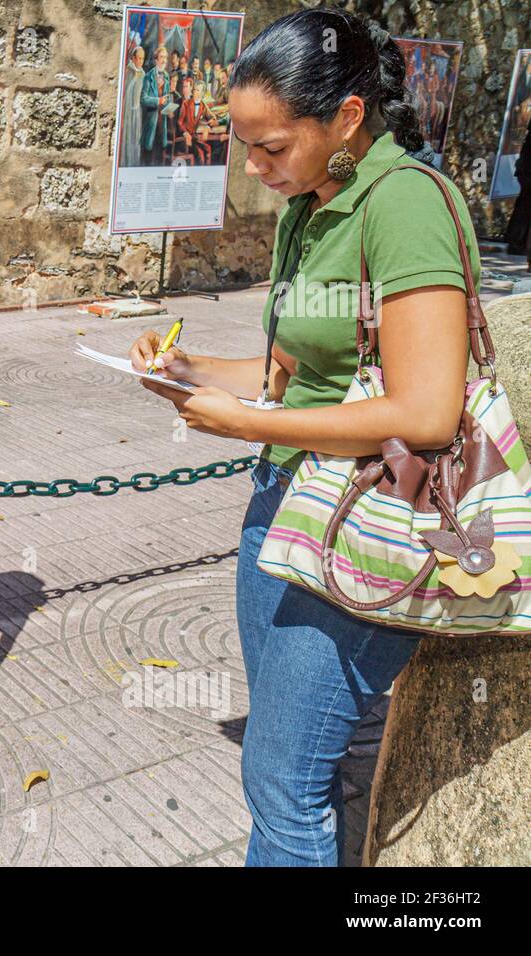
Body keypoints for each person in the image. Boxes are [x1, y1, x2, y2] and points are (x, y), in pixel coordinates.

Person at [127, 7, 481, 866]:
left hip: (371, 517)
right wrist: (188, 369)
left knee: (282, 780)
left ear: (349, 119)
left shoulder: (404, 207)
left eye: (272, 147)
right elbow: (288, 372)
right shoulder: (310, 203)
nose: (254, 169)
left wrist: (252, 421)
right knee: (309, 764)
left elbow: (428, 411)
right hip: (284, 502)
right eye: (246, 146)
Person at [502, 117, 531, 258]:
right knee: (524, 208)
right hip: (527, 171)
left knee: (523, 207)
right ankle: (517, 242)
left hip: (525, 169)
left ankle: (518, 242)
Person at [140, 46, 173, 165]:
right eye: (162, 57)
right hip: (150, 122)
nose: (164, 60)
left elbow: (167, 97)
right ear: (156, 60)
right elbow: (143, 99)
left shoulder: (167, 76)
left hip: (162, 123)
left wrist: (169, 108)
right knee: (148, 154)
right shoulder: (148, 76)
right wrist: (158, 101)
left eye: (166, 58)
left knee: (160, 155)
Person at [120, 43, 145, 168]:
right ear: (134, 58)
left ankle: (134, 163)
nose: (140, 61)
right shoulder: (129, 70)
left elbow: (141, 93)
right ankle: (126, 162)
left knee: (136, 139)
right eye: (139, 58)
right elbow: (125, 92)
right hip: (128, 111)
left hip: (137, 111)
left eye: (142, 58)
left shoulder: (143, 73)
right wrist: (134, 78)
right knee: (128, 138)